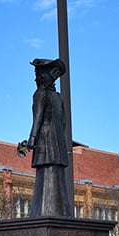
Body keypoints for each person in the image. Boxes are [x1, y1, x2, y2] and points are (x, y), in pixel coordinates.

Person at [19, 58, 72, 217]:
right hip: (58, 143)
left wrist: (32, 139)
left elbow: (38, 117)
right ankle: (61, 212)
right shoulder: (57, 96)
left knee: (45, 176)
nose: (36, 79)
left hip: (45, 140)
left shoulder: (39, 94)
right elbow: (63, 123)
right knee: (56, 177)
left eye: (38, 74)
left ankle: (42, 212)